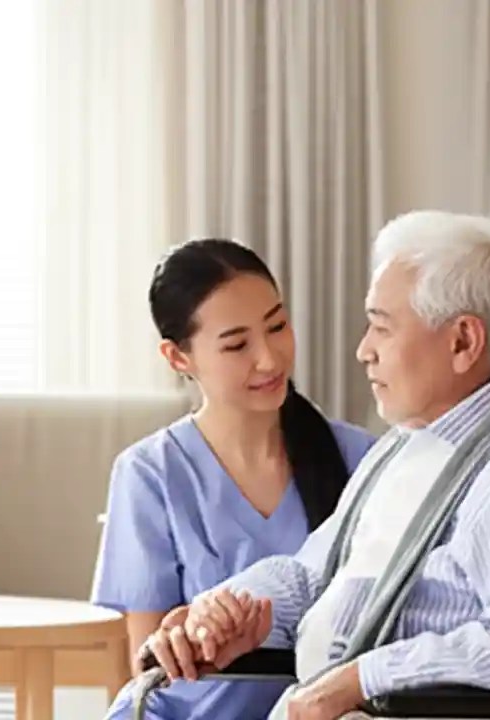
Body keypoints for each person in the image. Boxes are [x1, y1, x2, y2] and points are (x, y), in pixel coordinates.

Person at [134, 211, 490, 720]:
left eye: (382, 328)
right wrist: (231, 611)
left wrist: (361, 678)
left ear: (463, 342)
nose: (364, 350)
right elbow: (312, 576)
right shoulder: (405, 448)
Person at [92, 239, 377, 720]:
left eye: (278, 326)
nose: (269, 358)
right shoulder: (149, 474)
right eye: (237, 344)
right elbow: (147, 665)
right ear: (179, 358)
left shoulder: (361, 458)